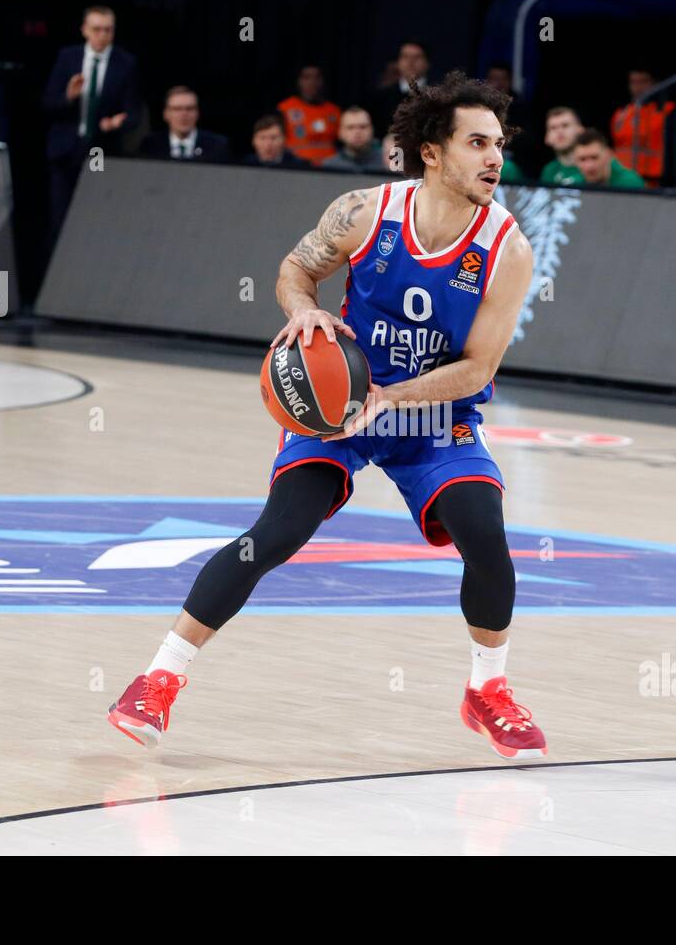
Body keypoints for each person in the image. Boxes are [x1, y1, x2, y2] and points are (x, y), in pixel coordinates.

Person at [107, 71, 545, 761]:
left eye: (498, 143)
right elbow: (295, 268)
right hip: (339, 403)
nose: (495, 158)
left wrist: (395, 399)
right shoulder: (365, 212)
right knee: (275, 534)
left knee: (484, 533)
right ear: (431, 151)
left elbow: (479, 368)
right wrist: (303, 309)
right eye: (476, 142)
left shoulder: (508, 247)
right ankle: (158, 677)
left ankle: (487, 690)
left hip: (429, 414)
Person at [42, 6, 141, 249]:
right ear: (85, 30)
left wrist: (117, 122)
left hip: (102, 153)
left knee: (96, 222)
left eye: (108, 30)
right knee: (60, 222)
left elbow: (134, 114)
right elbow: (47, 104)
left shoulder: (126, 63)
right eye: (96, 29)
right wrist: (68, 96)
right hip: (66, 151)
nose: (102, 35)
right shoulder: (68, 58)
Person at [609, 68, 675, 187]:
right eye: (633, 82)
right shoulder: (621, 113)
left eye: (643, 81)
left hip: (653, 179)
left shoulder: (668, 110)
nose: (638, 87)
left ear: (655, 83)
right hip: (620, 177)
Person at [137, 86, 230, 162]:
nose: (184, 114)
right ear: (166, 114)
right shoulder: (151, 145)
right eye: (177, 109)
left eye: (190, 108)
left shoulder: (216, 145)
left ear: (197, 113)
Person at [278, 65, 341, 166]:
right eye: (307, 77)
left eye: (317, 77)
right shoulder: (284, 109)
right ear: (299, 81)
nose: (312, 82)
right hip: (296, 168)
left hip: (330, 169)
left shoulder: (334, 111)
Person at [370, 41, 431, 130]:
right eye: (405, 57)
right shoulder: (381, 97)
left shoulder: (438, 94)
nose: (410, 62)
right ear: (398, 62)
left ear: (427, 63)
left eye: (417, 57)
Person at [570, 129, 646, 188]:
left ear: (609, 155)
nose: (589, 166)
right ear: (575, 161)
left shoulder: (630, 183)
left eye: (594, 158)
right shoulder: (572, 186)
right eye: (582, 159)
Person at [319, 106, 387, 172]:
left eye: (363, 127)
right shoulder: (329, 167)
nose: (357, 132)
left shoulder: (386, 163)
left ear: (372, 130)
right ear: (340, 132)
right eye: (350, 127)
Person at [242, 115, 312, 168]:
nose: (268, 144)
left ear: (284, 141)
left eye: (273, 138)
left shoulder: (299, 166)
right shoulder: (244, 165)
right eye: (262, 138)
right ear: (253, 141)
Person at [539, 106, 585, 185]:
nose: (559, 131)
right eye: (553, 128)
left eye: (565, 125)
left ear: (581, 130)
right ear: (547, 138)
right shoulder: (548, 171)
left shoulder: (601, 163)